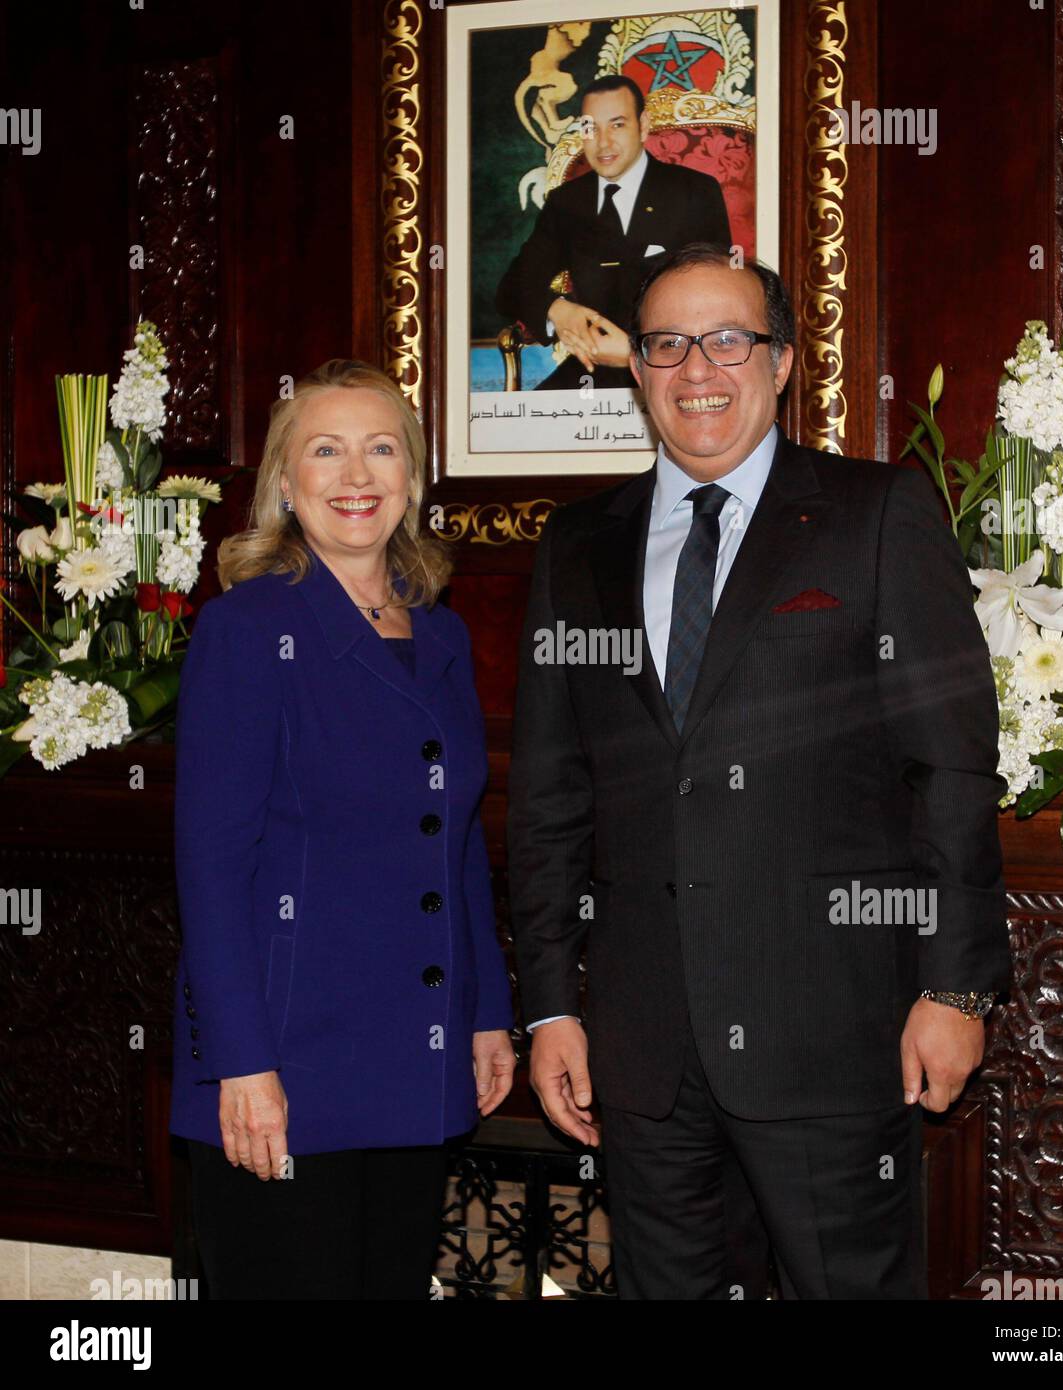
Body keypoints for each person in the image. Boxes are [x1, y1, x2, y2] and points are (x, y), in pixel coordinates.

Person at [507, 243, 1010, 1299]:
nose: (699, 368)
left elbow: (952, 770)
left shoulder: (877, 516)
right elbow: (551, 797)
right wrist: (550, 1005)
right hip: (640, 1053)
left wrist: (954, 985)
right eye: (667, 344)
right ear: (635, 367)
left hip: (829, 1032)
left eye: (729, 339)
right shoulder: (573, 548)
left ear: (782, 362)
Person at [169, 359, 516, 1299]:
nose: (355, 474)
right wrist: (239, 1063)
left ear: (410, 479)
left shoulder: (439, 633)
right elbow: (209, 863)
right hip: (284, 1057)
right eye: (326, 450)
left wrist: (486, 1012)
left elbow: (459, 842)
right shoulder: (246, 629)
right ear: (285, 482)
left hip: (417, 1051)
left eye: (380, 449)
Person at [495, 74, 731, 391]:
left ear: (643, 125)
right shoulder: (568, 202)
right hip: (590, 372)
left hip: (677, 370)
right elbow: (512, 287)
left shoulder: (694, 192)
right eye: (591, 128)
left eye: (617, 125)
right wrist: (558, 310)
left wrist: (637, 355)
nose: (603, 143)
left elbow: (718, 301)